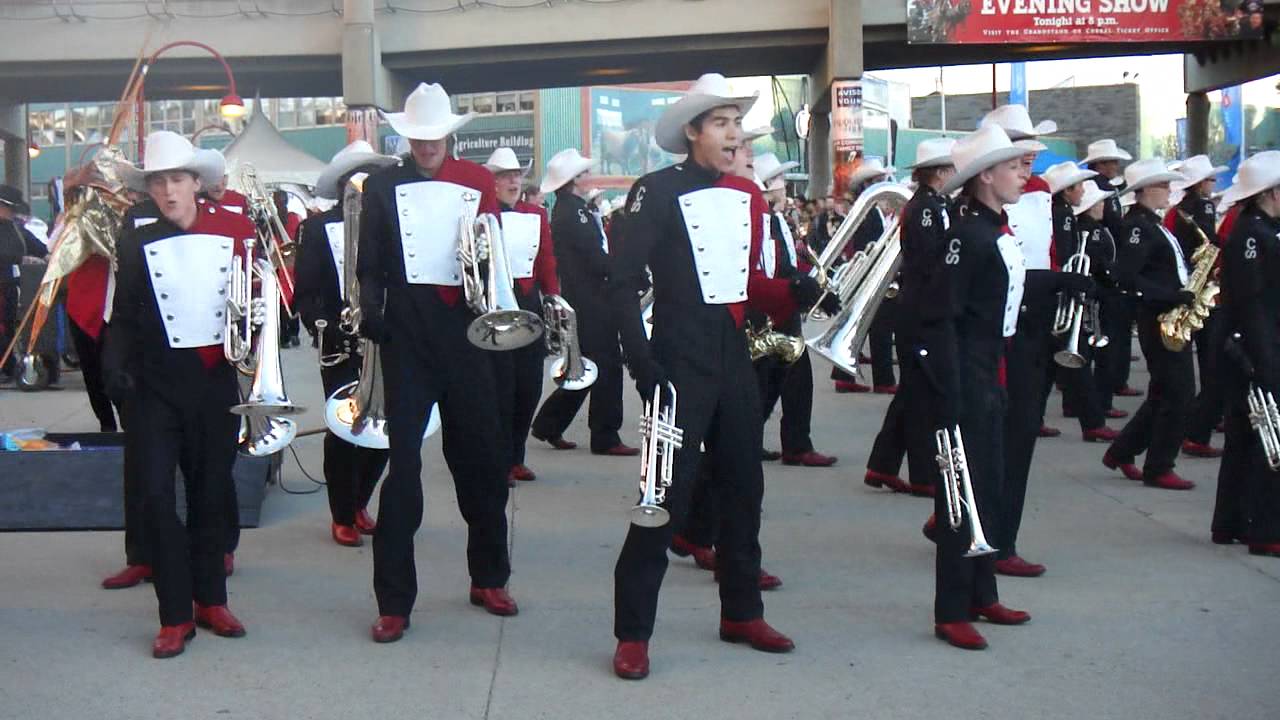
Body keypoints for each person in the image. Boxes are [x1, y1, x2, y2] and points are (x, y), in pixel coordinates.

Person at [608, 73, 801, 680]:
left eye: (736, 124)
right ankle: (633, 633)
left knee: (745, 489)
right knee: (660, 499)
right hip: (675, 360)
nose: (733, 134)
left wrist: (794, 294)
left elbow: (743, 285)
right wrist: (642, 365)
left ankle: (742, 611)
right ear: (692, 132)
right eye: (720, 123)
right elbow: (622, 285)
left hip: (733, 358)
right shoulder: (653, 192)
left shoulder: (747, 195)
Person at [356, 83, 518, 644]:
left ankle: (489, 576)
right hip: (408, 340)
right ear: (406, 138)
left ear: (449, 135)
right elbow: (369, 261)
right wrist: (371, 307)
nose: (426, 146)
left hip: (466, 337)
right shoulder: (380, 186)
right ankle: (394, 601)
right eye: (416, 138)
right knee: (402, 470)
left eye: (434, 137)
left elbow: (492, 255)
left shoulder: (476, 181)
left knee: (481, 461)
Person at [101, 131, 252, 658]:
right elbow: (121, 316)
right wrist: (114, 365)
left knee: (212, 493)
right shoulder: (136, 241)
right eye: (158, 181)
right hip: (155, 388)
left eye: (177, 179)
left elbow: (261, 302)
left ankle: (212, 599)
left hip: (214, 383)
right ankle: (173, 614)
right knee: (158, 498)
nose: (168, 190)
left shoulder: (238, 231)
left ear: (196, 184)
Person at [902, 125, 1033, 650]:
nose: (1024, 173)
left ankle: (983, 590)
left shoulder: (991, 229)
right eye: (1014, 166)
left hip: (991, 368)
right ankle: (951, 608)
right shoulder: (967, 235)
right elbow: (941, 316)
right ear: (985, 176)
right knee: (962, 497)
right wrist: (950, 391)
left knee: (990, 489)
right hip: (967, 373)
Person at [980, 107, 1096, 578]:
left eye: (1029, 151)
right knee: (997, 442)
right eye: (1016, 149)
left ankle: (988, 529)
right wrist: (1052, 283)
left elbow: (1048, 254)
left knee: (1018, 439)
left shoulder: (1045, 197)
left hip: (1032, 332)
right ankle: (994, 540)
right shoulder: (979, 205)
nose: (1028, 158)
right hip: (995, 334)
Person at [294, 140, 399, 547]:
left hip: (384, 339)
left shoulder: (391, 225)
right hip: (340, 343)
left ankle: (360, 501)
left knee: (385, 429)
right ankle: (341, 512)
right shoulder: (318, 228)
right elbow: (306, 292)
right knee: (344, 431)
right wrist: (328, 325)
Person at [529, 149, 637, 456]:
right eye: (584, 174)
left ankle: (549, 424)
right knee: (607, 366)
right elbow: (594, 257)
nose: (589, 178)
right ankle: (605, 435)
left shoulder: (573, 209)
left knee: (586, 366)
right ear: (573, 181)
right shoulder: (572, 213)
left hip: (587, 297)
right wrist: (625, 271)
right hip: (591, 300)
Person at [864, 138, 956, 496]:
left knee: (912, 393)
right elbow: (931, 258)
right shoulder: (926, 208)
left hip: (920, 308)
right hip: (921, 310)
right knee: (923, 399)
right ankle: (922, 475)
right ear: (940, 172)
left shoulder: (935, 204)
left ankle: (882, 464)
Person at [1103, 158, 1200, 491]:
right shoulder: (1137, 227)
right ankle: (1159, 466)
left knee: (1163, 392)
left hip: (1168, 316)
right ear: (1143, 190)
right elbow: (1127, 277)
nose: (1168, 191)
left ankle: (1122, 451)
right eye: (1162, 186)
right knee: (1180, 393)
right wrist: (1172, 296)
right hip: (1159, 318)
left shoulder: (1152, 224)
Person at [1212, 150, 1280, 558]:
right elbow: (1252, 303)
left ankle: (1231, 521)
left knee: (1242, 436)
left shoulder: (1262, 229)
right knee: (1265, 438)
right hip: (1256, 345)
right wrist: (1265, 360)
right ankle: (1265, 528)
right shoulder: (1253, 234)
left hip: (1254, 343)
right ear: (1270, 193)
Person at [752, 152, 837, 467]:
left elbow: (788, 262)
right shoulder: (762, 217)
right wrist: (800, 287)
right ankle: (773, 442)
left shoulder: (776, 217)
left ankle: (793, 443)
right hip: (770, 310)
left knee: (787, 380)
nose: (784, 184)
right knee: (769, 381)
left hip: (782, 307)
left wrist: (815, 289)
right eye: (778, 180)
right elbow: (771, 267)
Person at [484, 146, 561, 483]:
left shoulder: (536, 215)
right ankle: (497, 459)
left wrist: (555, 298)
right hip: (497, 306)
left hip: (529, 304)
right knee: (501, 387)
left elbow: (546, 261)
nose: (513, 180)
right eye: (505, 176)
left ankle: (516, 455)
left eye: (516, 175)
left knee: (528, 386)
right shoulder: (483, 215)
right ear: (493, 182)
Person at [1165, 155, 1229, 459]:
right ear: (1201, 183)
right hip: (1202, 287)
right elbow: (1212, 242)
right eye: (1211, 179)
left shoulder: (1179, 210)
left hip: (1190, 282)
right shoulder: (1202, 206)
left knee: (1209, 358)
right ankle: (1200, 424)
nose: (1212, 184)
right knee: (1212, 361)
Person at [831, 158, 897, 395]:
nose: (883, 184)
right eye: (879, 180)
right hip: (869, 275)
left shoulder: (870, 208)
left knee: (862, 325)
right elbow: (867, 244)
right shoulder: (869, 209)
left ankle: (844, 375)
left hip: (866, 273)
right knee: (880, 327)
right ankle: (883, 380)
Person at [1084, 139, 1142, 403]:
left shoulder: (1109, 190)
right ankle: (1108, 384)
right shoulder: (1098, 189)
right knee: (1110, 332)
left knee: (1116, 332)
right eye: (1110, 162)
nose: (1115, 166)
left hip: (1112, 255)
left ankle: (1115, 381)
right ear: (1099, 165)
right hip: (1105, 270)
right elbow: (1113, 224)